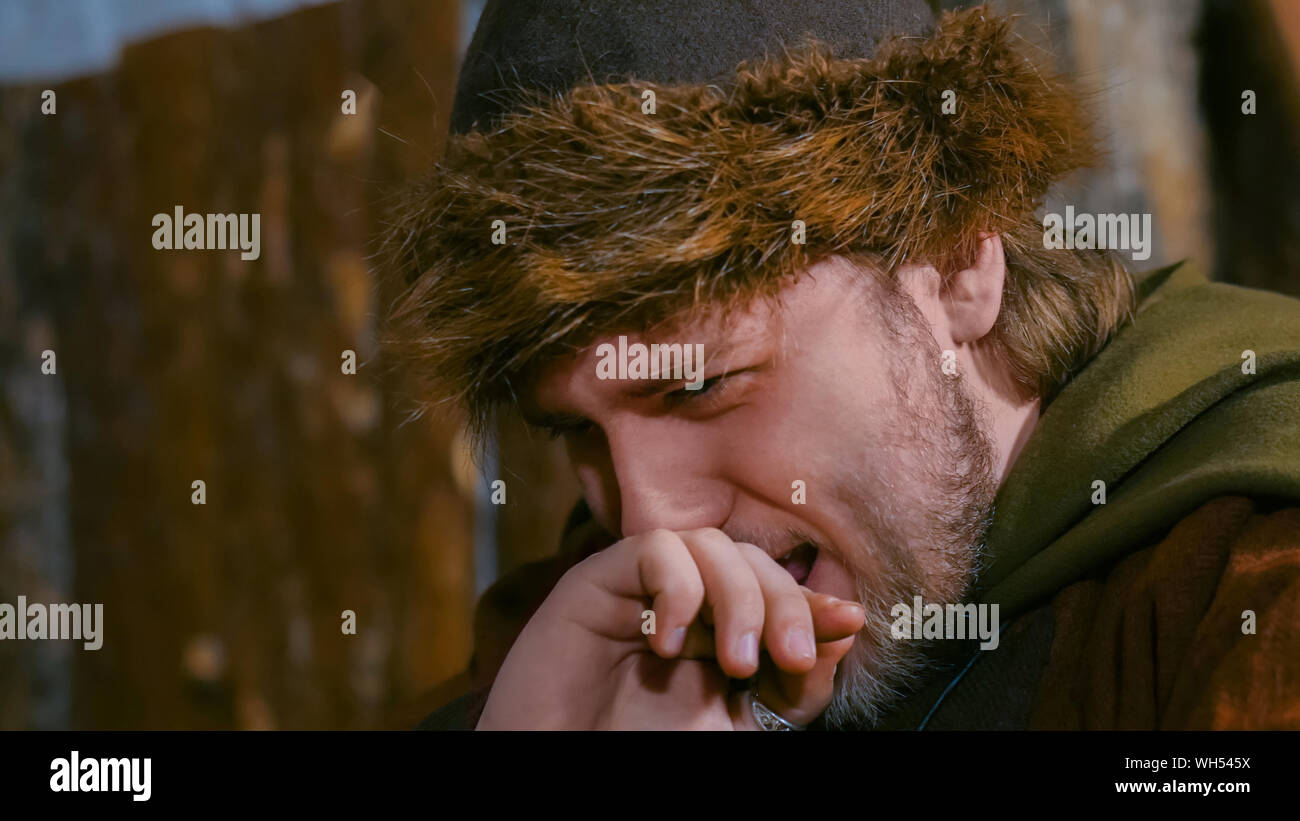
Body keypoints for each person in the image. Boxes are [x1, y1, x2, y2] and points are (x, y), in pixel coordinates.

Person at [381, 0, 1300, 730]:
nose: (649, 517)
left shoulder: (1253, 577)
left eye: (700, 384)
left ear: (953, 261)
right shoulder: (582, 632)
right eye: (578, 430)